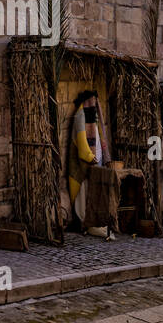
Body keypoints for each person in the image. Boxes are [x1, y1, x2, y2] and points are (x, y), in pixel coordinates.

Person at [67, 90, 110, 229]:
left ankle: (93, 218)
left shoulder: (92, 116)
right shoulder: (81, 116)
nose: (95, 105)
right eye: (92, 102)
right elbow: (82, 145)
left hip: (96, 160)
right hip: (83, 165)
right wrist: (90, 157)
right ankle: (83, 220)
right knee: (83, 193)